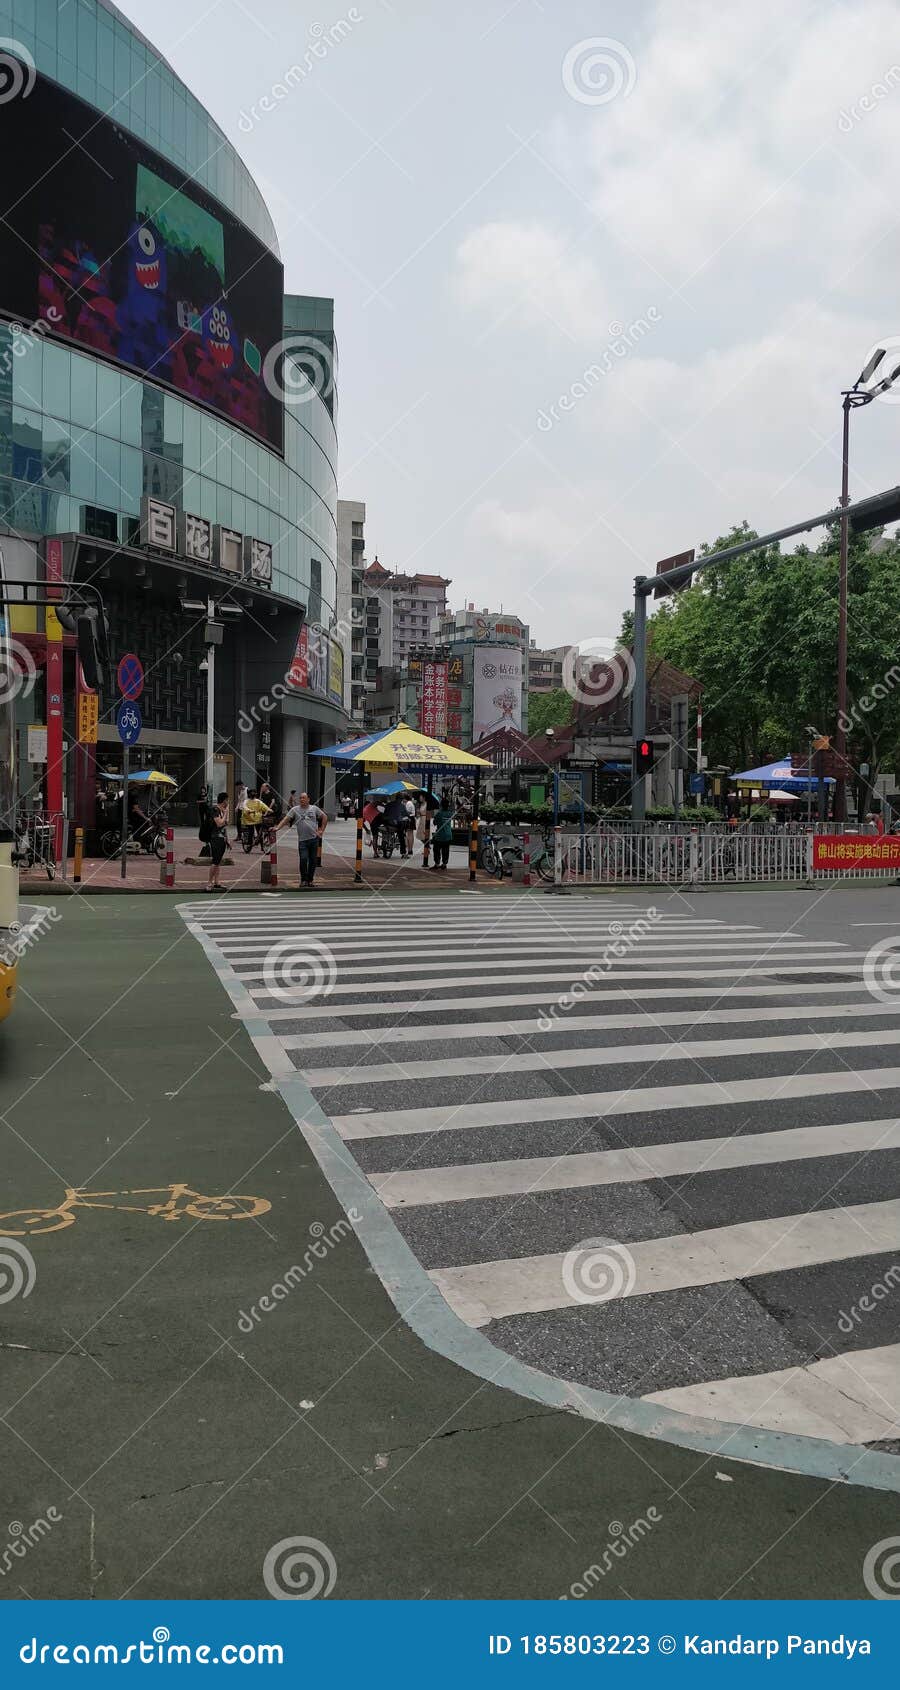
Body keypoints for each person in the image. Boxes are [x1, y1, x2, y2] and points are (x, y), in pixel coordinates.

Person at [275, 791, 328, 886]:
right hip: (302, 841)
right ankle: (303, 879)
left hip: (314, 839)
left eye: (304, 798)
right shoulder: (295, 810)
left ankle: (310, 880)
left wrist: (321, 830)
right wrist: (277, 828)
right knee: (303, 859)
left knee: (313, 861)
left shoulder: (314, 808)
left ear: (308, 799)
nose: (302, 799)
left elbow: (324, 817)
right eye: (300, 798)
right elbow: (286, 819)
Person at [199, 790, 228, 891]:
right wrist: (226, 813)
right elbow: (219, 823)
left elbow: (224, 826)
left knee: (218, 861)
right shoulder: (214, 810)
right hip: (215, 838)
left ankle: (217, 882)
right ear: (224, 801)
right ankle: (209, 883)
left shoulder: (221, 810)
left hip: (222, 838)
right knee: (215, 861)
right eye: (227, 800)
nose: (227, 802)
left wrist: (227, 839)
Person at [430, 800, 453, 871]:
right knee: (446, 850)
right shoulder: (450, 813)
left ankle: (437, 864)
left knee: (436, 849)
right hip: (448, 834)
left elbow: (434, 822)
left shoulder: (439, 814)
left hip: (440, 835)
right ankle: (444, 864)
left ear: (441, 806)